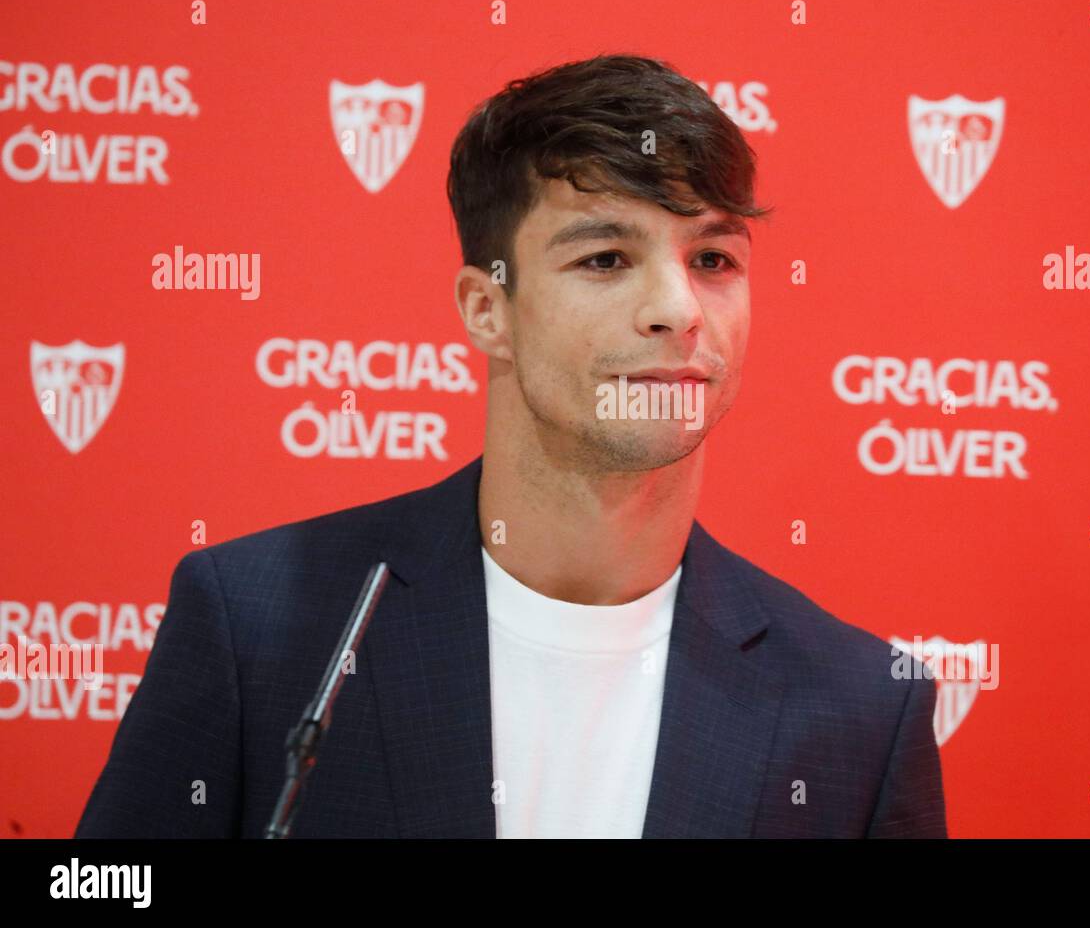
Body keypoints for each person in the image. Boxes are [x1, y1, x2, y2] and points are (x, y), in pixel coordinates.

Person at [75, 54, 947, 838]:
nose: (678, 310)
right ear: (486, 309)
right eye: (605, 258)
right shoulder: (260, 626)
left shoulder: (861, 707)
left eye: (714, 260)